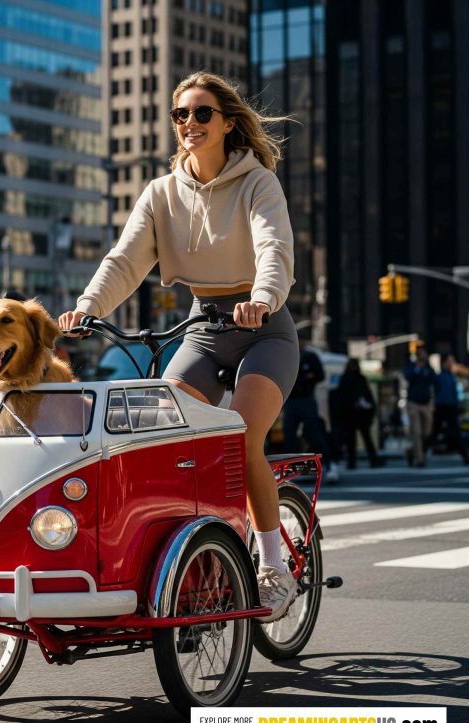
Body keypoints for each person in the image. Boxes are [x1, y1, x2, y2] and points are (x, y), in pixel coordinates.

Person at [60, 71, 299, 622]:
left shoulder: (258, 182)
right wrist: (89, 306)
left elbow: (273, 248)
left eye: (202, 114)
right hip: (202, 327)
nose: (190, 123)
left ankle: (272, 566)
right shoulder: (161, 193)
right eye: (181, 115)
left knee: (240, 438)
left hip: (263, 328)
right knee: (168, 439)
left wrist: (262, 297)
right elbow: (125, 260)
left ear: (227, 123)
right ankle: (193, 554)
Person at [282, 342, 340, 482]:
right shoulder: (286, 356)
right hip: (291, 400)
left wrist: (307, 379)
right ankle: (293, 467)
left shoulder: (310, 356)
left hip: (306, 399)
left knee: (314, 434)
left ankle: (330, 464)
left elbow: (319, 375)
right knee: (289, 434)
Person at [336, 358, 385, 469]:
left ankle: (352, 462)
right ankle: (372, 459)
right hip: (359, 413)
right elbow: (367, 395)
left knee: (352, 439)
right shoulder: (359, 378)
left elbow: (341, 397)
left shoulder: (346, 378)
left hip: (350, 413)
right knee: (365, 437)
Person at [403, 344, 437, 467]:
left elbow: (434, 380)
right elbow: (408, 376)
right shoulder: (411, 367)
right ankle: (420, 459)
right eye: (420, 353)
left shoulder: (429, 368)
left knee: (426, 433)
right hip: (413, 403)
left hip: (426, 403)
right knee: (416, 432)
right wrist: (417, 367)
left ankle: (411, 451)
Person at [432, 353, 469, 465]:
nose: (452, 363)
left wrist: (458, 405)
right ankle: (417, 451)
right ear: (444, 363)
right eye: (450, 361)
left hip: (451, 407)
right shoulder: (440, 377)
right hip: (441, 407)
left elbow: (455, 393)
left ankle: (465, 456)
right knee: (435, 432)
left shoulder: (452, 376)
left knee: (455, 431)